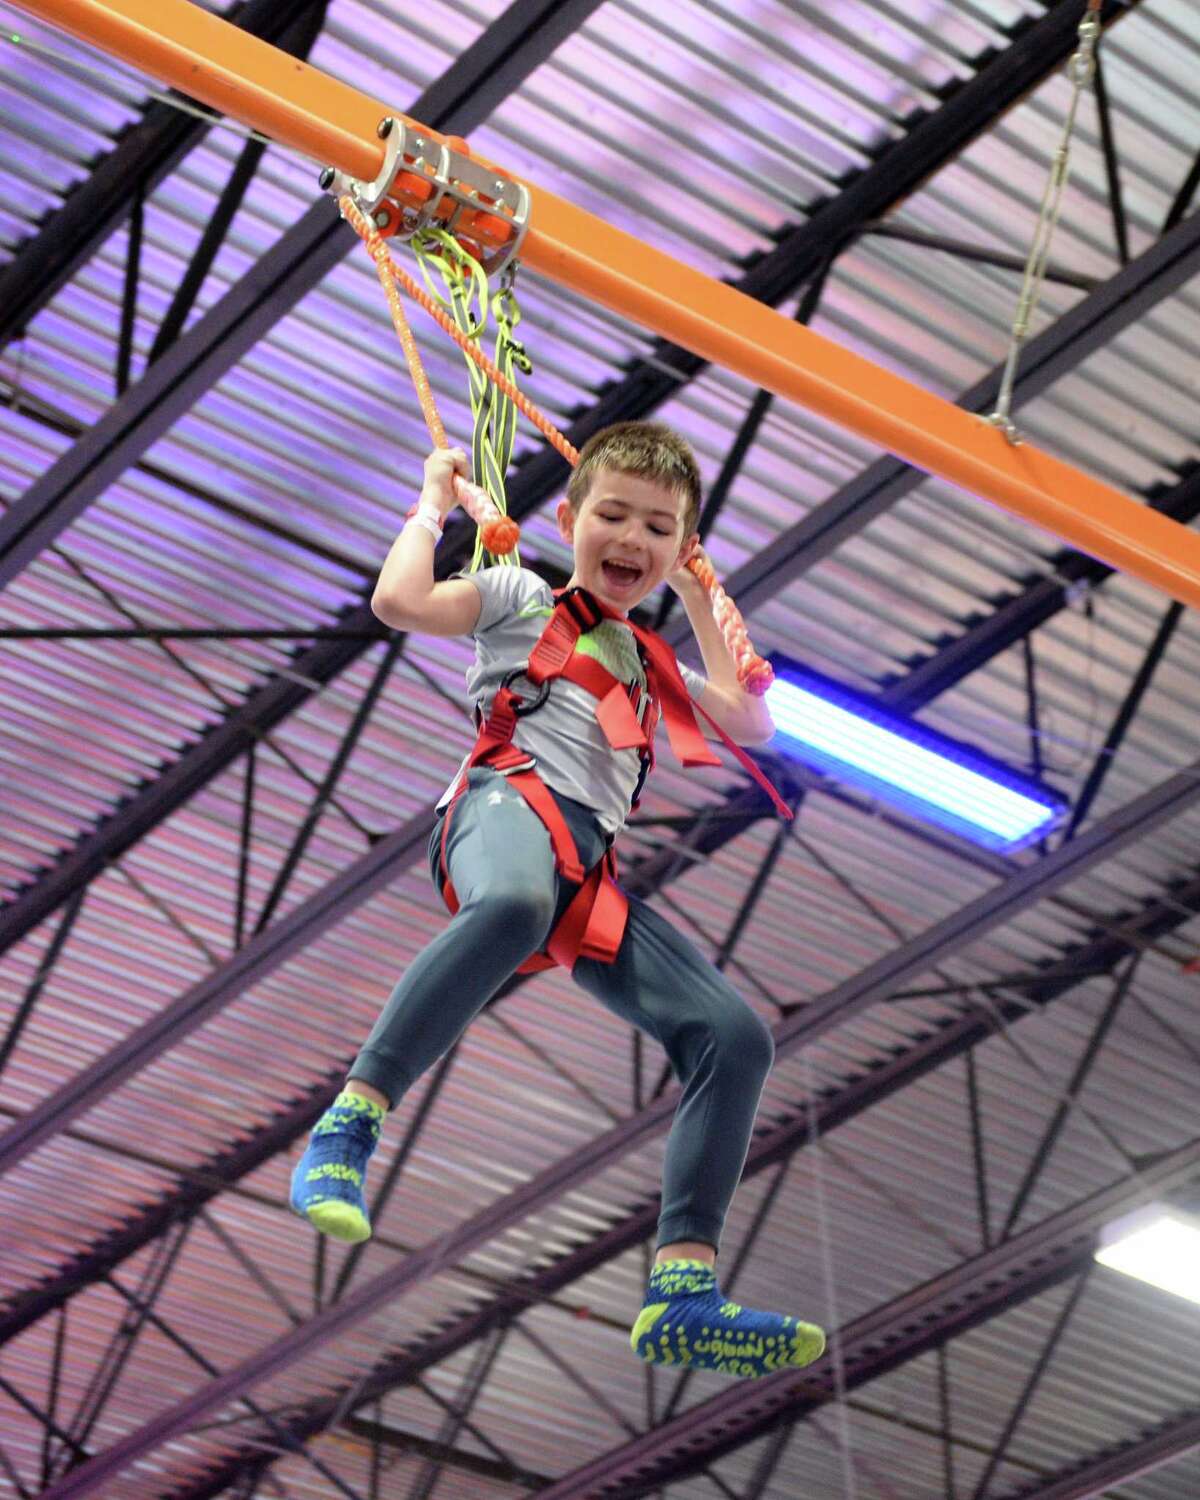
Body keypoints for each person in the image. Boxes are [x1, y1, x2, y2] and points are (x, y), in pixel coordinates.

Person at [291, 422, 825, 1378]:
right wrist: (433, 503)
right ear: (570, 519)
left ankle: (683, 1290)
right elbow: (400, 599)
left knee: (736, 1036)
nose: (630, 537)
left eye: (659, 528)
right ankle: (350, 1124)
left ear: (678, 548)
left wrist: (703, 592)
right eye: (610, 514)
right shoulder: (521, 595)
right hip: (503, 806)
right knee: (508, 908)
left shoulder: (647, 659)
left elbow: (753, 718)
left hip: (586, 874)